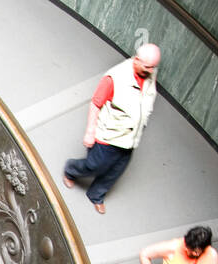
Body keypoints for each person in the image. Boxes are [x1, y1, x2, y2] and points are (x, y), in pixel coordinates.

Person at [63, 43, 160, 213]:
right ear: (136, 60)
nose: (151, 71)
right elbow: (96, 103)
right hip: (109, 136)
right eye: (147, 67)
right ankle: (71, 170)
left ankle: (96, 195)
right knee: (94, 165)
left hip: (130, 138)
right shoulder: (115, 78)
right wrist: (90, 132)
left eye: (153, 67)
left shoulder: (150, 74)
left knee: (115, 171)